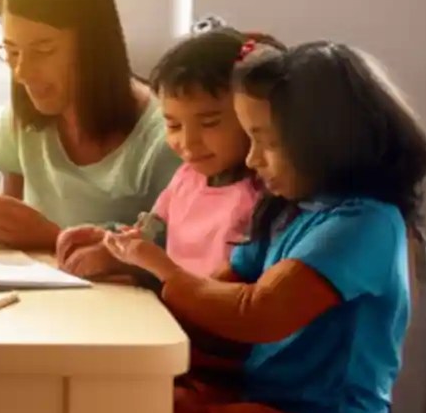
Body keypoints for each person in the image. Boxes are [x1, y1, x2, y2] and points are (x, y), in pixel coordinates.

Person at [101, 41, 426, 413]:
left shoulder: (364, 224)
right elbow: (221, 290)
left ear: (326, 141)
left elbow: (256, 312)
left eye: (266, 142)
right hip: (265, 404)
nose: (252, 159)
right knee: (119, 405)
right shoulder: (291, 209)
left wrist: (162, 271)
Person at [0, 0, 180, 249]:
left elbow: (180, 258)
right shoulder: (21, 118)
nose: (22, 72)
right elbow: (9, 237)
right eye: (11, 52)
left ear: (93, 46)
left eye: (43, 51)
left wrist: (52, 238)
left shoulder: (167, 138)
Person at [58, 20, 281, 280]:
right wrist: (109, 238)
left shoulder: (262, 199)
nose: (188, 142)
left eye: (209, 123)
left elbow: (226, 290)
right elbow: (152, 234)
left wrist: (130, 263)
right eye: (173, 125)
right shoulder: (187, 177)